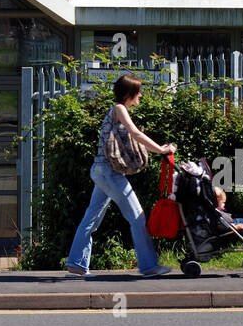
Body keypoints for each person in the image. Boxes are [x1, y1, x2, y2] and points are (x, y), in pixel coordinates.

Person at [65, 74, 176, 278]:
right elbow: (136, 134)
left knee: (91, 217)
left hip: (101, 171)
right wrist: (161, 149)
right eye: (138, 91)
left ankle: (76, 265)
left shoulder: (118, 111)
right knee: (137, 217)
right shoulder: (119, 109)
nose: (141, 95)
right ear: (129, 93)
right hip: (109, 172)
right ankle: (149, 266)